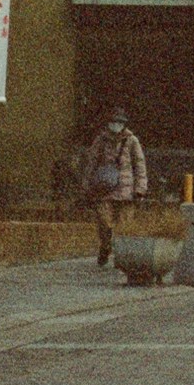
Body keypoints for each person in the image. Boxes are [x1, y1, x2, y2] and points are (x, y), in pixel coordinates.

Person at [81, 106, 148, 267]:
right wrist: (86, 185)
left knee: (125, 226)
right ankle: (105, 246)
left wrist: (140, 189)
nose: (115, 124)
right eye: (113, 121)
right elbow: (92, 163)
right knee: (104, 222)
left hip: (127, 191)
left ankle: (123, 258)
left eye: (119, 122)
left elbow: (140, 165)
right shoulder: (101, 140)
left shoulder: (132, 141)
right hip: (105, 188)